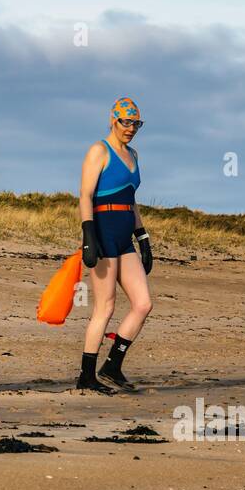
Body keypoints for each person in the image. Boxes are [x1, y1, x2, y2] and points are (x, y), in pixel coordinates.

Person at [76, 97, 154, 393]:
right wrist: (88, 236)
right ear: (113, 119)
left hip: (125, 237)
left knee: (143, 304)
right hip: (103, 234)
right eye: (126, 122)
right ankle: (86, 376)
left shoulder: (133, 153)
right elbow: (85, 195)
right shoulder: (99, 150)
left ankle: (112, 367)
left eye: (136, 123)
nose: (131, 128)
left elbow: (130, 199)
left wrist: (142, 236)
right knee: (105, 307)